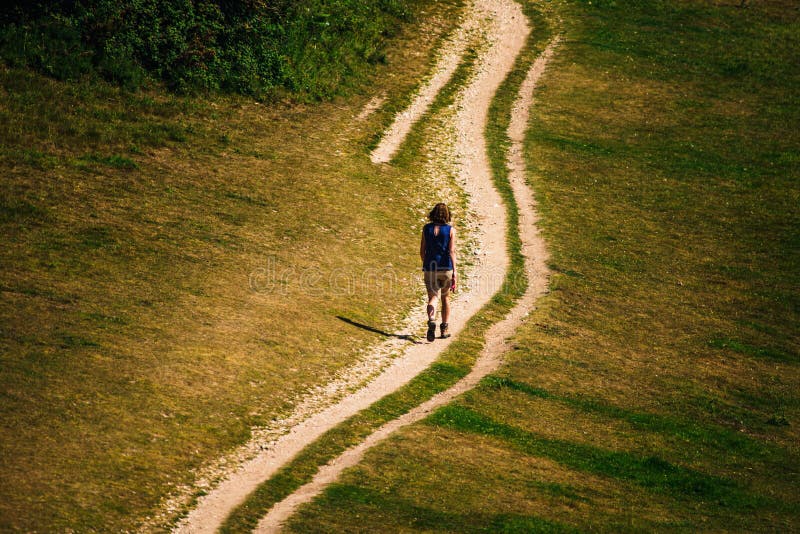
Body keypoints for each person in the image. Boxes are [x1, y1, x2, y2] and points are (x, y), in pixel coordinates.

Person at [420, 202, 456, 342]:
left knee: (433, 297)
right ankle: (444, 328)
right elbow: (452, 251)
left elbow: (422, 251)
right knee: (445, 298)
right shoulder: (451, 230)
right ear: (447, 215)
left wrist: (426, 263)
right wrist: (455, 272)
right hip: (446, 268)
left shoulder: (426, 229)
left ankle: (431, 320)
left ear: (433, 213)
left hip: (430, 268)